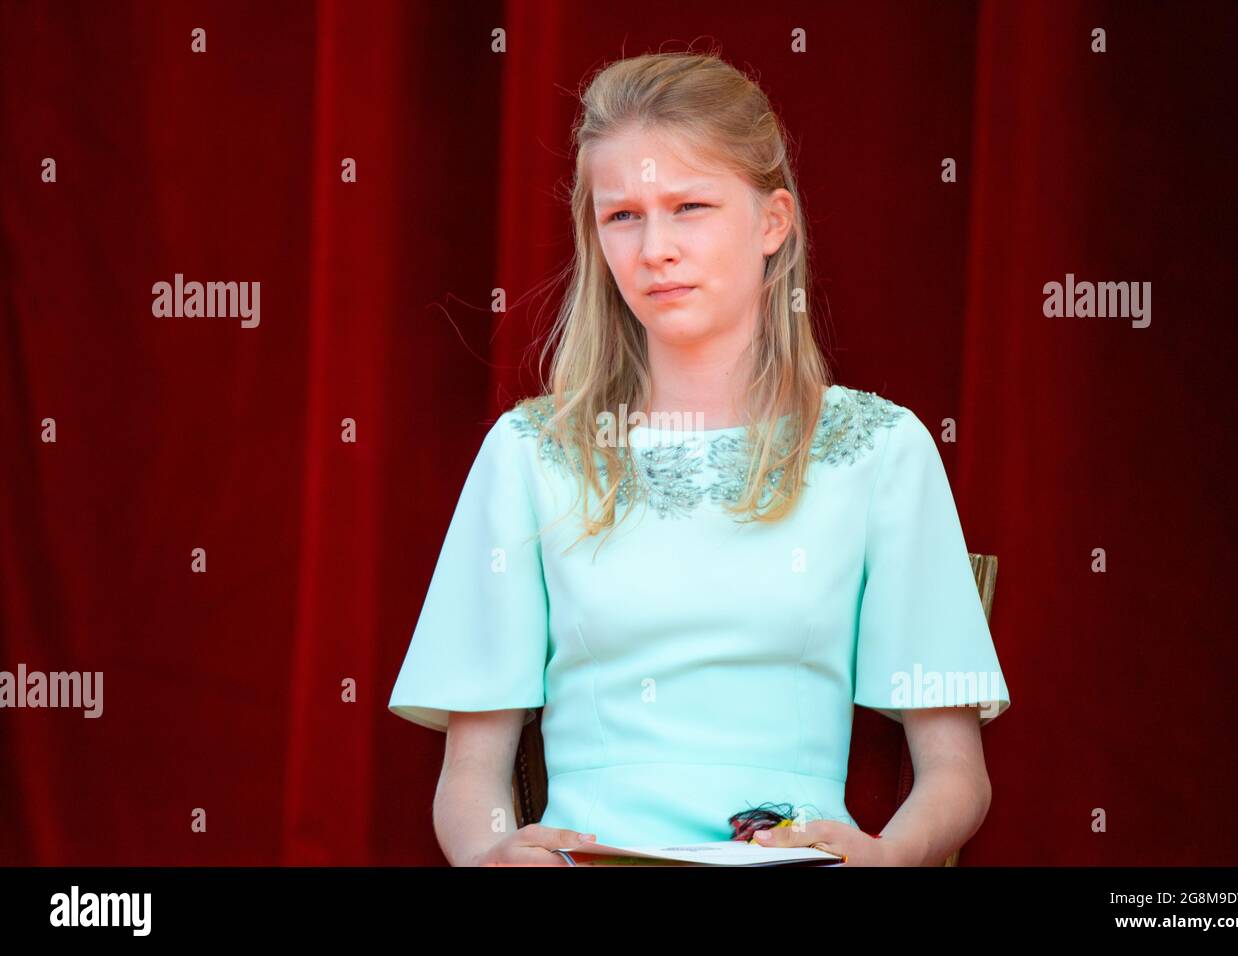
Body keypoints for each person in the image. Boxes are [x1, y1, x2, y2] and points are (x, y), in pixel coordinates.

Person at [388, 50, 1011, 867]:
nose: (656, 249)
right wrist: (490, 855)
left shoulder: (880, 450)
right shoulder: (530, 453)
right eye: (623, 216)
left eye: (689, 206)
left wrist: (892, 856)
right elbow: (472, 770)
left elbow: (956, 775)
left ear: (772, 222)